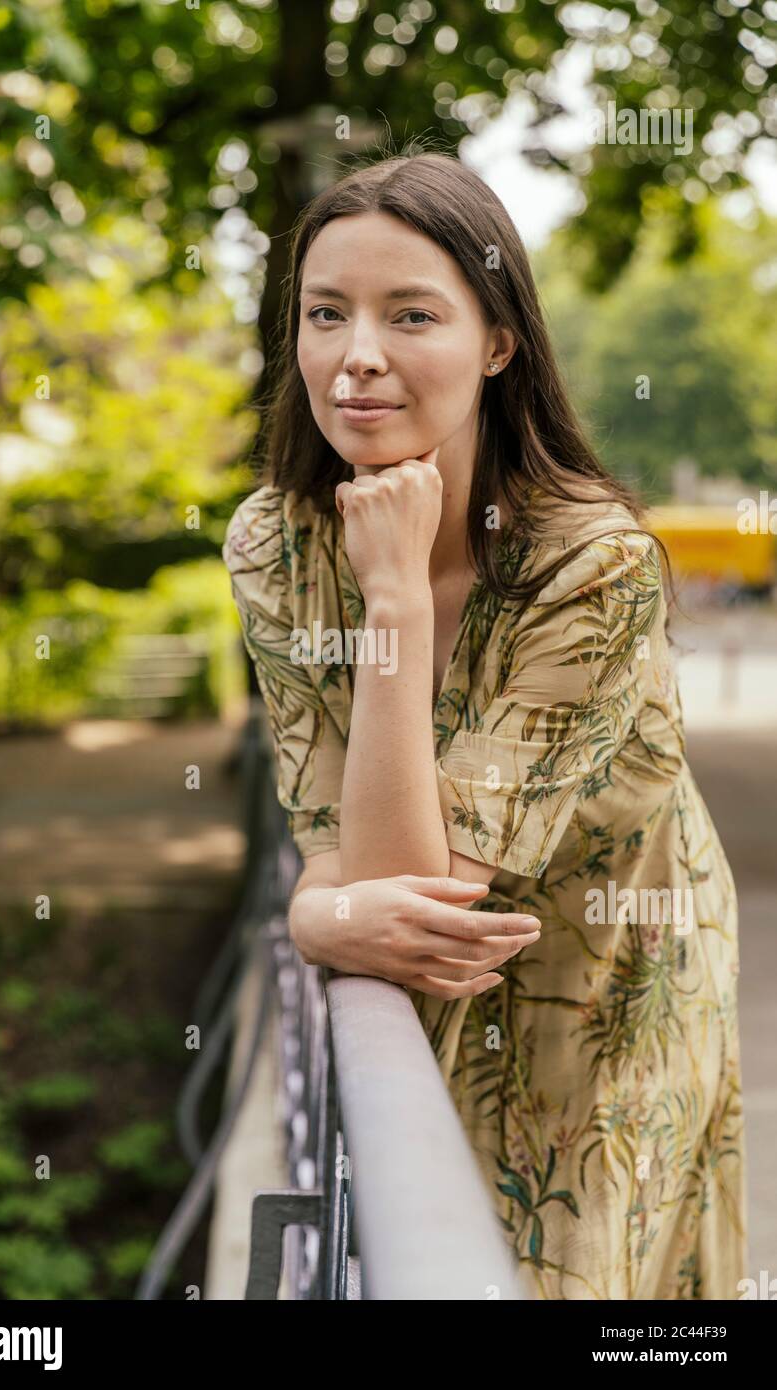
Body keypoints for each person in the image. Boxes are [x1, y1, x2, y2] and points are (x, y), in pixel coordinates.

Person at [222, 152, 747, 1300]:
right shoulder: (275, 543)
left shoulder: (592, 566)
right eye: (324, 314)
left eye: (410, 314)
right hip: (438, 999)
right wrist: (323, 906)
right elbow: (350, 870)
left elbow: (419, 889)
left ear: (498, 342)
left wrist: (399, 598)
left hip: (607, 987)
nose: (355, 355)